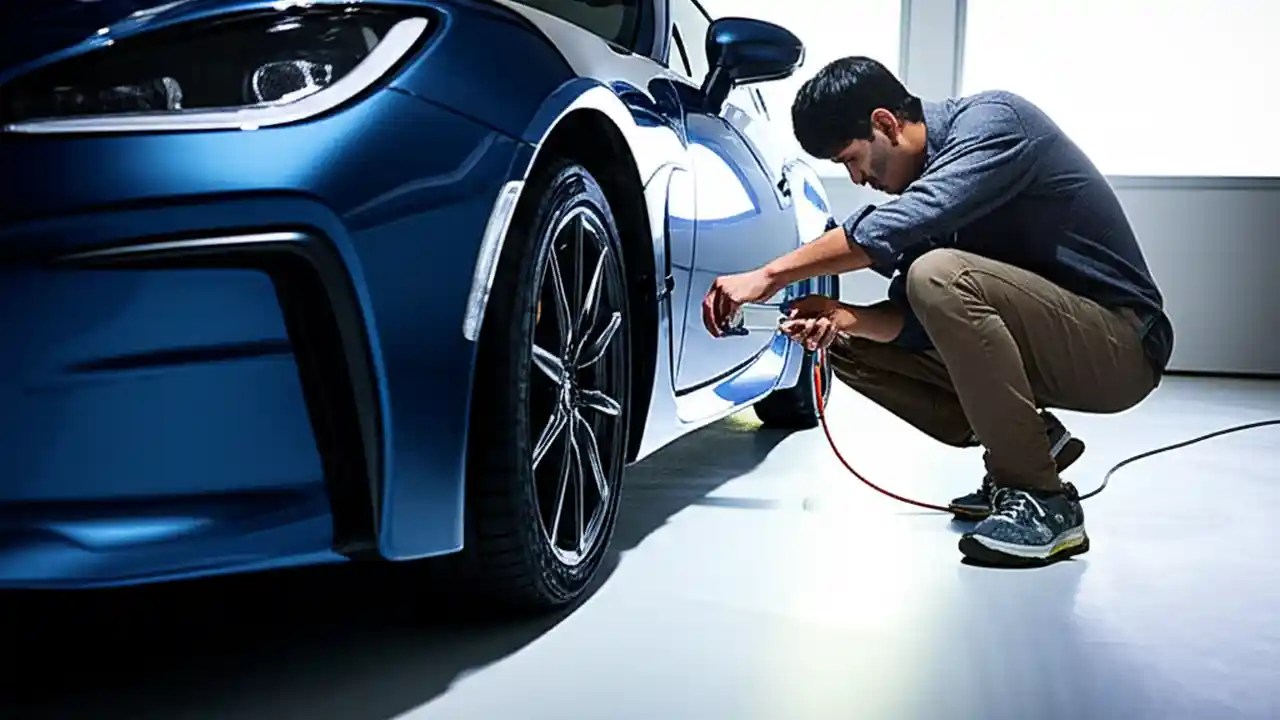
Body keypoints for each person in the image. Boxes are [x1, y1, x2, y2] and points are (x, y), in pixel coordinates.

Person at [701, 57, 1174, 567]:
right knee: (846, 338)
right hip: (1053, 338)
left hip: (1121, 345)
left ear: (885, 123)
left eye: (854, 159)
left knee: (937, 274)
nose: (858, 179)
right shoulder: (928, 191)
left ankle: (1043, 501)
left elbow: (893, 234)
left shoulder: (995, 124)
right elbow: (913, 320)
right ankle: (1031, 446)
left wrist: (768, 276)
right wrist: (841, 318)